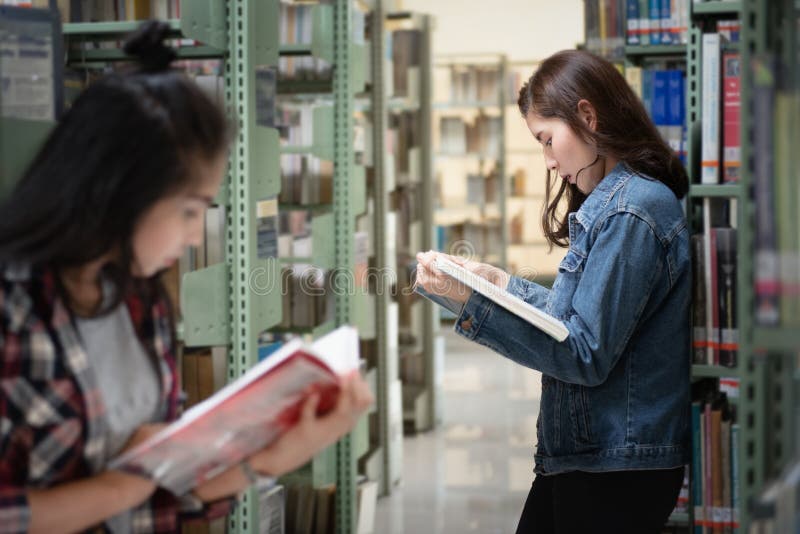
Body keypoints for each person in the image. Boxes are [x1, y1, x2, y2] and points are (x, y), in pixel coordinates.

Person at [0, 22, 372, 534]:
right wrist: (119, 485)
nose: (197, 236)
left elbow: (164, 489)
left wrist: (268, 459)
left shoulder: (139, 298)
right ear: (121, 190)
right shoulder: (13, 304)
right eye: (189, 210)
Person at [417, 49, 691, 534]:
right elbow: (573, 319)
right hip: (594, 458)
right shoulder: (616, 204)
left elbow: (583, 352)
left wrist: (474, 305)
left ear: (587, 116)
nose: (547, 162)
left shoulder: (632, 211)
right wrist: (496, 284)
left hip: (615, 468)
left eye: (547, 140)